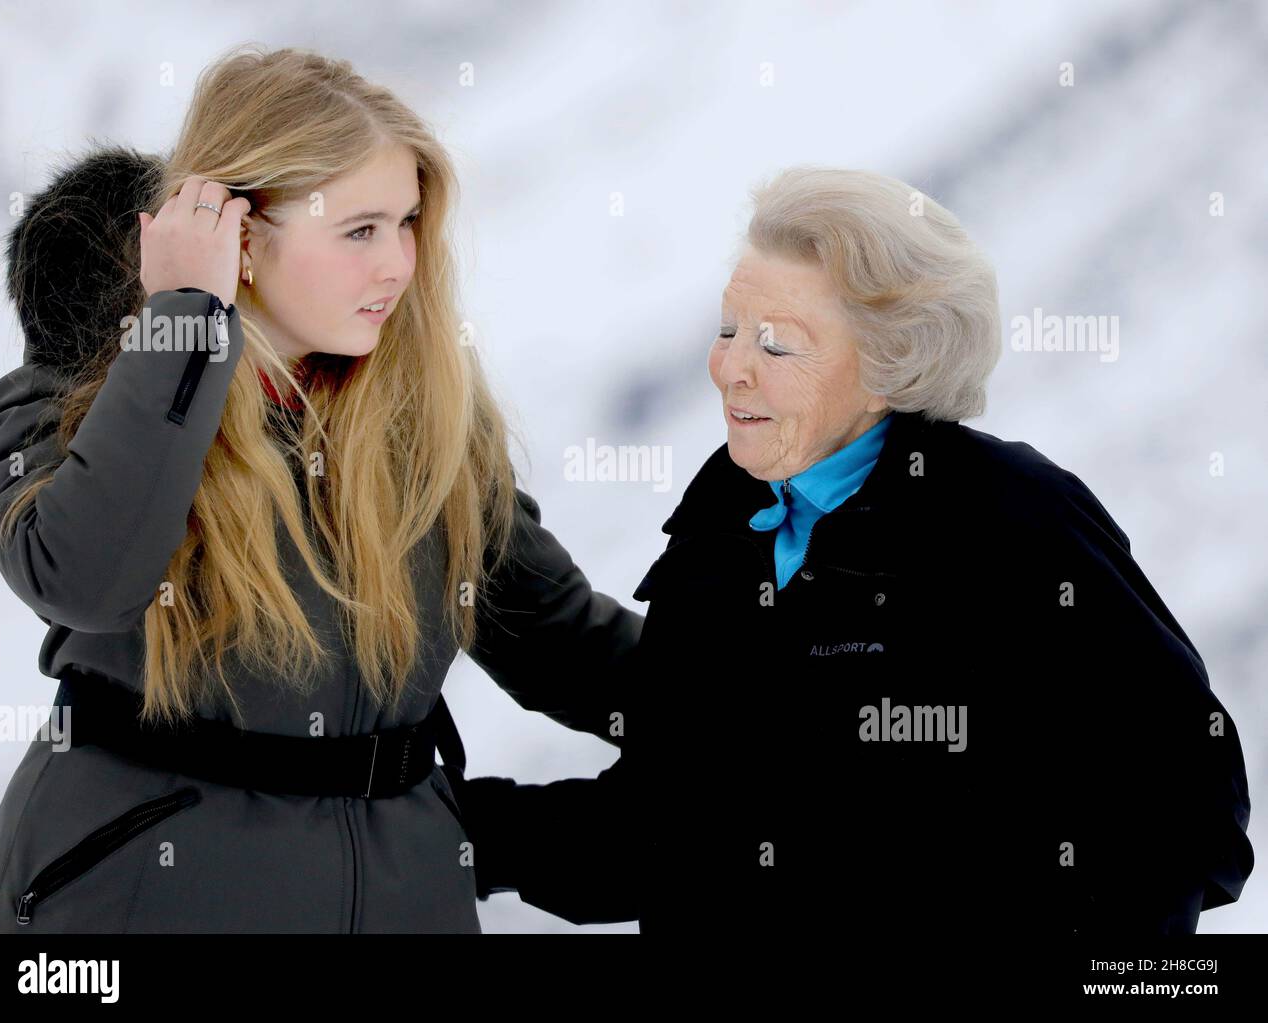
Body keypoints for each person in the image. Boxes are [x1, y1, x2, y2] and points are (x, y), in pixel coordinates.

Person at [456, 166, 1255, 937]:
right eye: (729, 329)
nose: (730, 368)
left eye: (777, 346)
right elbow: (671, 827)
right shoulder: (724, 527)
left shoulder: (1016, 519)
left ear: (887, 366)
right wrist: (445, 827)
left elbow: (1188, 813)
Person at [0, 44, 639, 934]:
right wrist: (184, 326)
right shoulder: (71, 399)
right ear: (238, 237)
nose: (397, 264)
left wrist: (787, 709)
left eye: (407, 223)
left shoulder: (427, 422)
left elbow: (564, 643)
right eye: (360, 230)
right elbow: (89, 576)